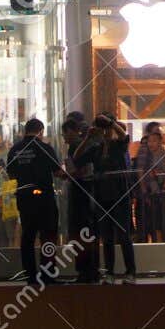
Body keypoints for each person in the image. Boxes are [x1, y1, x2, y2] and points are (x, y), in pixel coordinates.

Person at [6, 119, 63, 286]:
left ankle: (31, 276)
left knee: (28, 236)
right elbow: (58, 171)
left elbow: (11, 175)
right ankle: (48, 275)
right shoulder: (45, 148)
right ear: (41, 131)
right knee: (48, 236)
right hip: (44, 198)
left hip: (25, 197)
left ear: (26, 131)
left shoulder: (15, 150)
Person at [90, 114, 137, 279]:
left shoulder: (118, 146)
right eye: (103, 129)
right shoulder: (96, 148)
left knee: (123, 236)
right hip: (102, 197)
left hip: (120, 196)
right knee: (107, 237)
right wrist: (88, 137)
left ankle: (130, 271)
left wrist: (111, 123)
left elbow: (125, 136)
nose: (105, 132)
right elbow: (77, 157)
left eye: (107, 129)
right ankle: (109, 271)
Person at [62, 114, 101, 283]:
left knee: (79, 232)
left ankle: (85, 270)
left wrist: (66, 174)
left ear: (71, 131)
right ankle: (91, 270)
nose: (64, 138)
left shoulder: (76, 146)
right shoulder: (89, 144)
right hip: (87, 193)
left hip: (79, 194)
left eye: (64, 134)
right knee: (88, 232)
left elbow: (75, 169)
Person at [133, 123, 165, 242]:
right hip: (150, 194)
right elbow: (141, 171)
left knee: (159, 223)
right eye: (150, 140)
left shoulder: (162, 153)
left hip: (159, 193)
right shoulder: (145, 150)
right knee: (151, 223)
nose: (151, 143)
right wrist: (144, 190)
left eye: (155, 140)